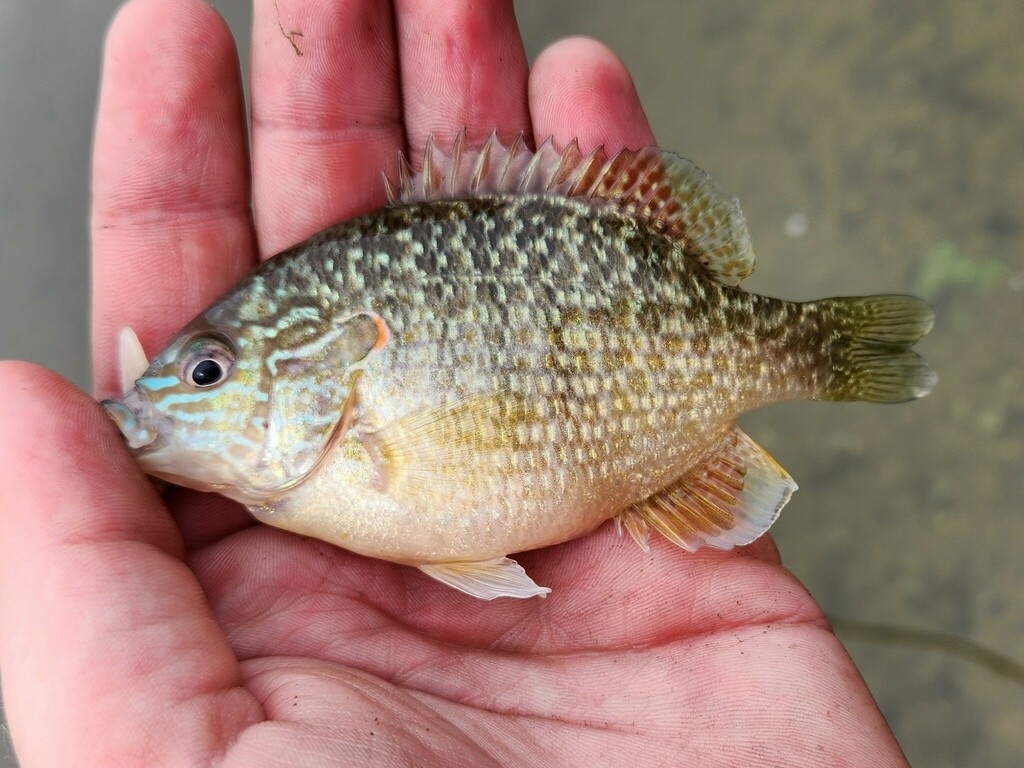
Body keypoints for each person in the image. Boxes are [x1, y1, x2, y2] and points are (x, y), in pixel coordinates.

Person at [0, 1, 909, 765]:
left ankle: (832, 350)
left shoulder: (335, 467)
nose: (172, 396)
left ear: (329, 363)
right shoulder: (300, 483)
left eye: (208, 371)